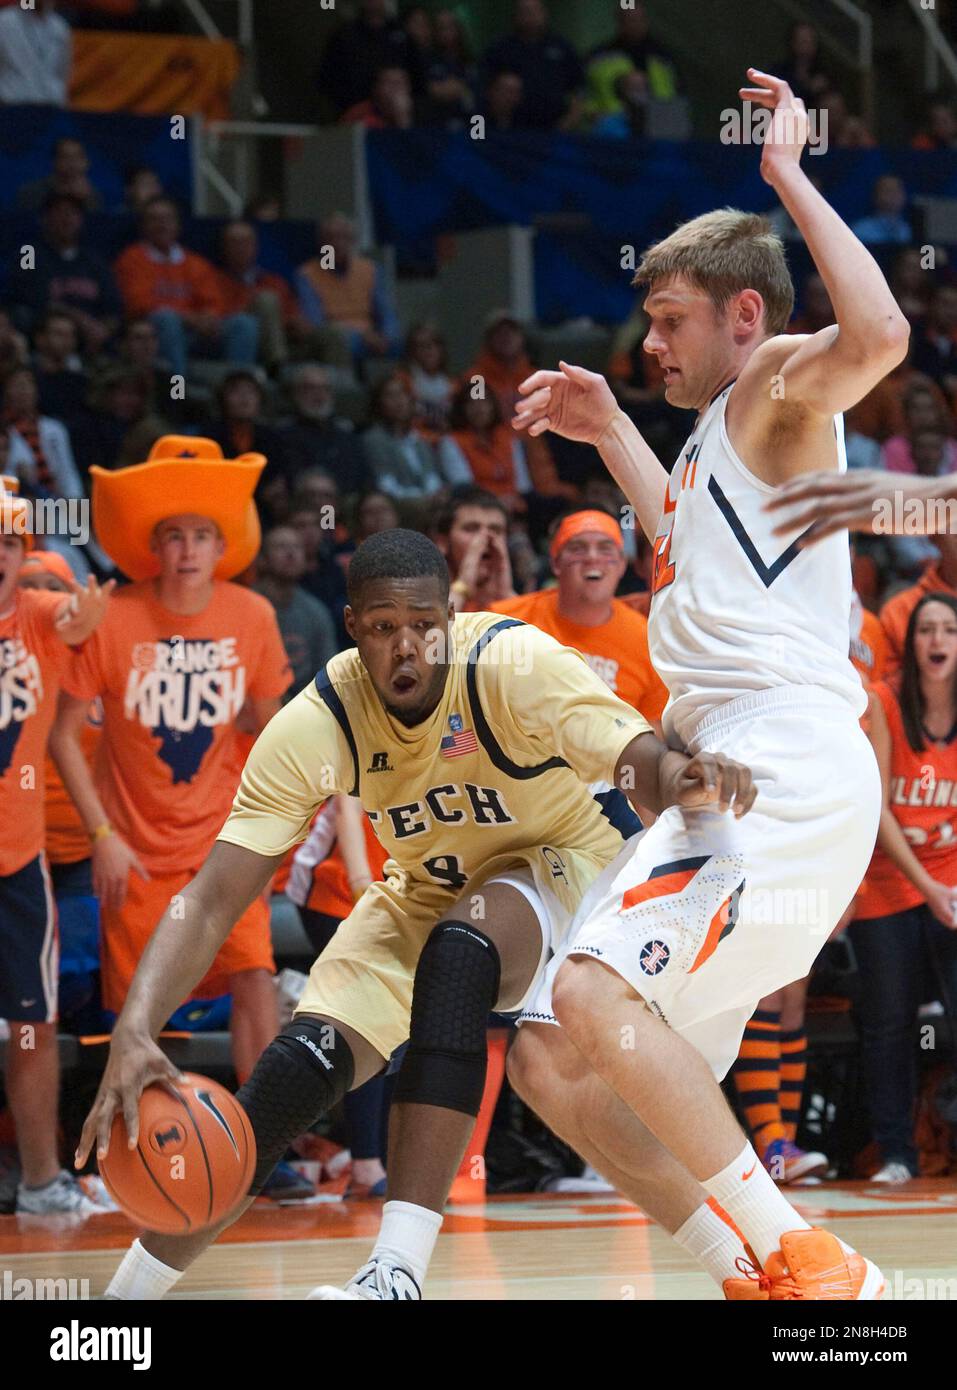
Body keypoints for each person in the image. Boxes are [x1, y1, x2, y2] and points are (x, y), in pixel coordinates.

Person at [76, 525, 749, 1300]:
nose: (408, 648)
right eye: (386, 628)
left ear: (450, 621)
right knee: (286, 1085)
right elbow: (212, 896)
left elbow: (636, 759)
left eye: (425, 626)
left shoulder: (511, 662)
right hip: (431, 885)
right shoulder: (321, 719)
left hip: (574, 863)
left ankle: (394, 1273)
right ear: (353, 625)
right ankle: (120, 1306)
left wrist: (683, 780)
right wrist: (133, 1028)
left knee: (460, 951)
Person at [500, 66, 908, 1301]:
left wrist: (786, 175)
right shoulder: (714, 438)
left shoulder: (780, 382)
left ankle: (803, 1249)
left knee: (586, 986)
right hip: (733, 779)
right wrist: (612, 427)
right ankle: (754, 1267)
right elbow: (688, 539)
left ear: (743, 314)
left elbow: (881, 336)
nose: (650, 339)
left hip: (776, 764)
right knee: (552, 1054)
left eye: (670, 318)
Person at [49, 438, 292, 1088]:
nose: (187, 550)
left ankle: (263, 1143)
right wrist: (102, 837)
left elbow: (278, 734)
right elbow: (63, 737)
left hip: (224, 846)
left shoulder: (253, 615)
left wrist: (272, 831)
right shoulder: (114, 618)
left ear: (223, 545)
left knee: (255, 975)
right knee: (140, 1012)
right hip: (134, 852)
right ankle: (141, 1156)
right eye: (173, 536)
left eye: (202, 535)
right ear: (153, 548)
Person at [0, 480, 113, 1214]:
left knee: (31, 1021)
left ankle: (43, 1180)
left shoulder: (38, 617)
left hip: (16, 862)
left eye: (9, 544)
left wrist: (85, 609)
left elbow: (72, 617)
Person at [851, 594, 957, 1181]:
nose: (937, 640)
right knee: (890, 1022)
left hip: (952, 880)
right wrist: (927, 886)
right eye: (926, 630)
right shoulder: (883, 700)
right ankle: (896, 1153)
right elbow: (879, 807)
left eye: (949, 629)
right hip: (889, 882)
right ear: (911, 642)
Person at [491, 508, 668, 728]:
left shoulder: (650, 641)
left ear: (622, 565)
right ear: (556, 563)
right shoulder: (503, 620)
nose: (592, 558)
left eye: (605, 549)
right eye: (577, 548)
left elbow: (656, 729)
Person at [113, 197, 259, 378]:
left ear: (178, 225)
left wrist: (209, 318)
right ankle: (178, 394)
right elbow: (138, 304)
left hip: (198, 334)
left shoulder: (196, 263)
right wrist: (187, 318)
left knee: (244, 324)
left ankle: (238, 389)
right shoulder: (131, 259)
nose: (162, 225)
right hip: (157, 333)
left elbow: (214, 303)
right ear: (143, 226)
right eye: (155, 219)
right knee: (167, 320)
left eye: (167, 219)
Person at [8, 193, 121, 353]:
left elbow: (113, 307)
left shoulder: (94, 260)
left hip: (93, 339)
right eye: (59, 212)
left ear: (81, 220)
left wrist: (103, 330)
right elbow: (35, 301)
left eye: (72, 213)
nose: (66, 218)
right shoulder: (29, 254)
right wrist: (81, 321)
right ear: (45, 219)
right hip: (47, 334)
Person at [294, 214, 401, 370]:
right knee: (339, 339)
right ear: (321, 243)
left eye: (343, 237)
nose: (337, 243)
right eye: (331, 238)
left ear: (352, 241)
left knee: (400, 341)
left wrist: (387, 336)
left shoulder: (370, 269)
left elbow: (386, 311)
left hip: (372, 334)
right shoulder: (307, 274)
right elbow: (316, 322)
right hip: (335, 335)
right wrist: (361, 335)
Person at [254, 525, 338, 697]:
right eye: (281, 547)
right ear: (262, 559)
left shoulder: (316, 612)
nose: (291, 554)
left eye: (297, 547)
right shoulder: (246, 609)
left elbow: (329, 677)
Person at [482, 0, 584, 131]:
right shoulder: (500, 48)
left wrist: (571, 120)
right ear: (516, 16)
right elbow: (485, 88)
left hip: (556, 128)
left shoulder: (562, 47)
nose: (530, 16)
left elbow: (578, 88)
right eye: (525, 11)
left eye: (534, 11)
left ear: (544, 14)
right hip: (511, 130)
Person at [432, 486, 514, 613]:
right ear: (443, 543)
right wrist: (463, 586)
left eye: (496, 530)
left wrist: (505, 593)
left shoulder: (525, 603)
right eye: (471, 529)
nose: (485, 538)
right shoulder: (420, 598)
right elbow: (435, 632)